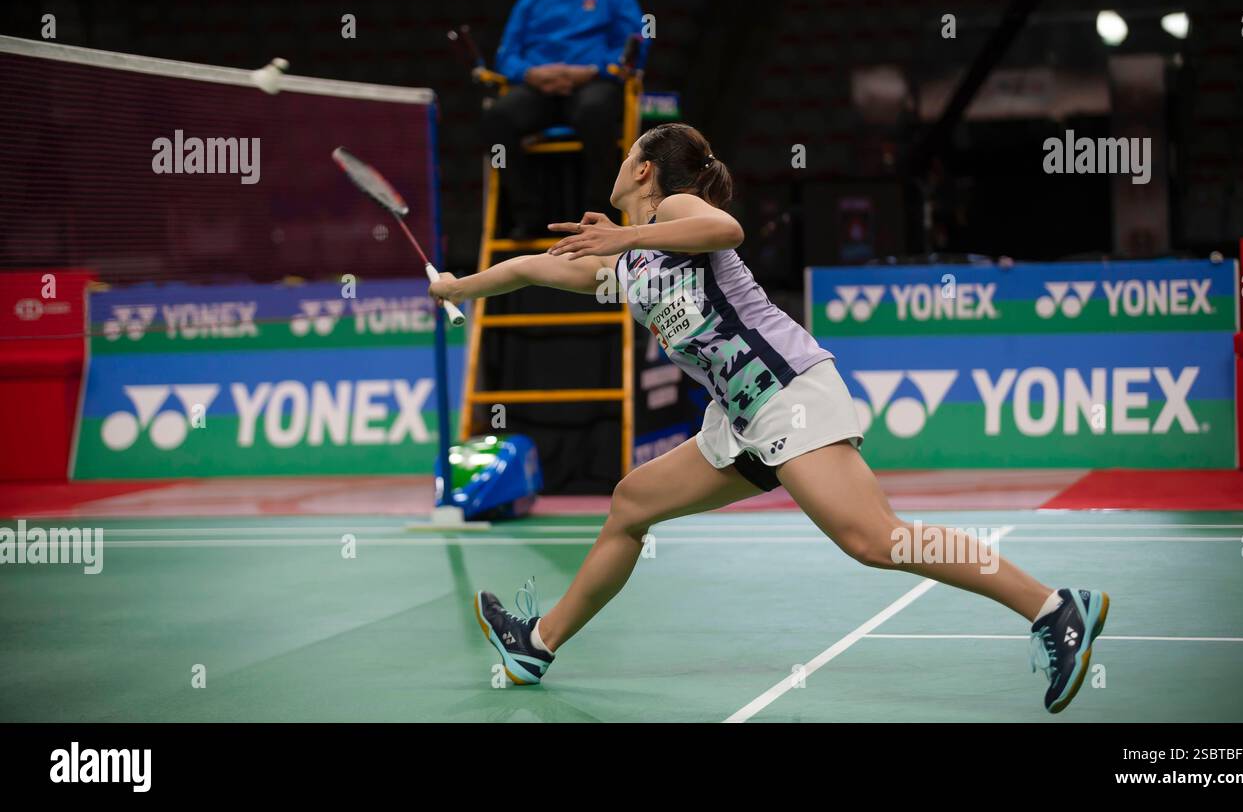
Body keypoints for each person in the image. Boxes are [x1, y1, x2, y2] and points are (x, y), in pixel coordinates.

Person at [428, 122, 1110, 714]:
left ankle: (1052, 609)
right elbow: (530, 271)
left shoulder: (674, 209)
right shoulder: (632, 260)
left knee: (877, 541)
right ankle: (536, 647)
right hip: (740, 418)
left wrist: (630, 233)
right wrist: (459, 287)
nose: (617, 163)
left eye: (625, 153)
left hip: (790, 394)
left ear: (642, 168)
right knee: (631, 505)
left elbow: (727, 228)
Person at [482, 0, 645, 239]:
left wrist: (591, 70)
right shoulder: (530, 3)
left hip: (592, 85)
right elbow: (506, 56)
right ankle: (527, 217)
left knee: (594, 112)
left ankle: (598, 218)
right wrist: (531, 73)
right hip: (539, 90)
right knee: (497, 117)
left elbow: (634, 46)